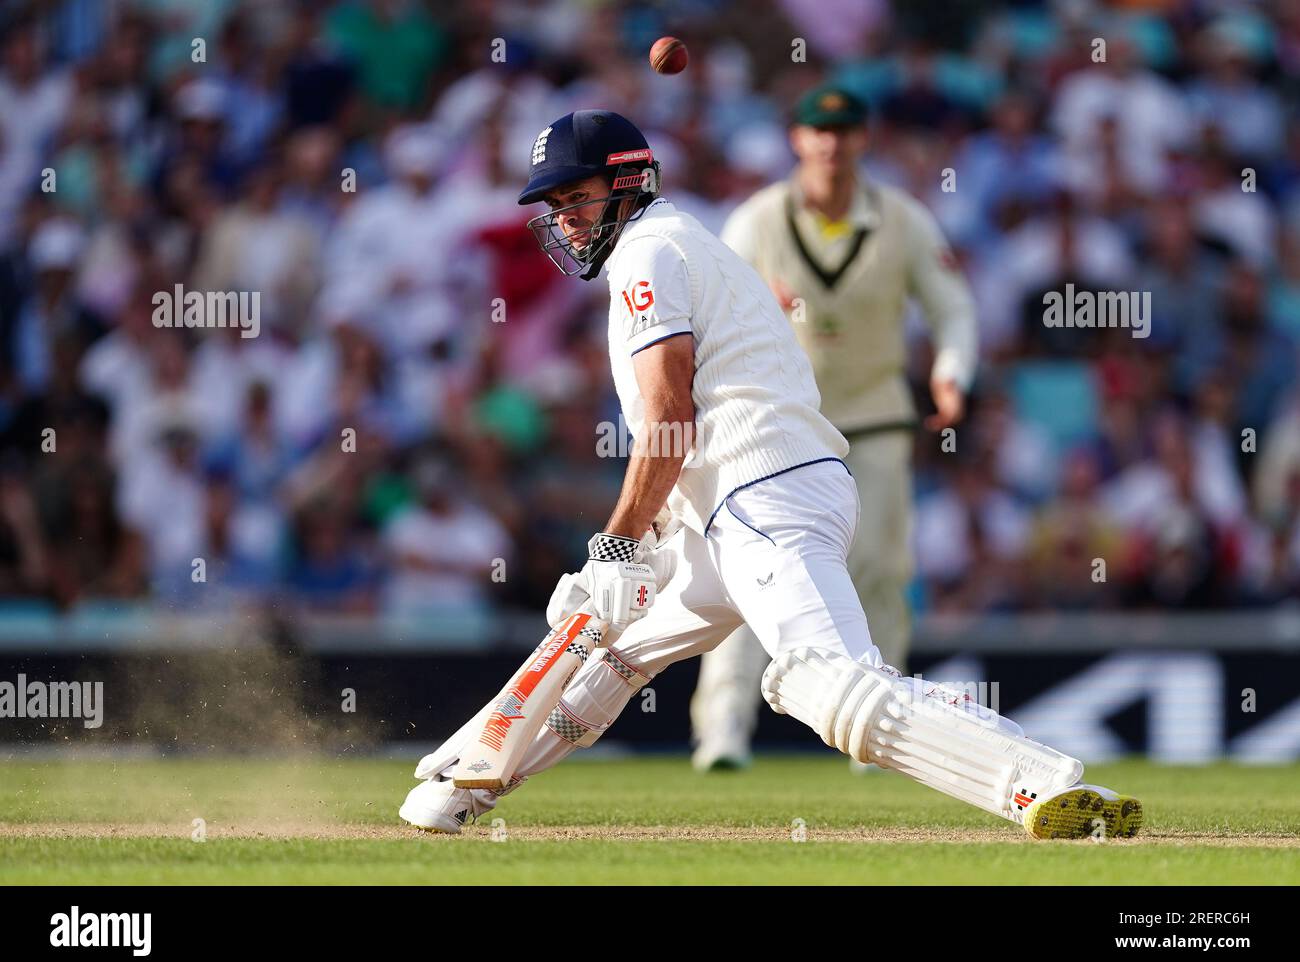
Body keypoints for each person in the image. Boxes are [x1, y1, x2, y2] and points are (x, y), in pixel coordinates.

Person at [397, 110, 1141, 840]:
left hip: (762, 494)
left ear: (628, 184)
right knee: (610, 651)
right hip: (733, 502)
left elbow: (670, 415)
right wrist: (648, 532)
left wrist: (616, 544)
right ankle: (467, 787)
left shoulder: (647, 252)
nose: (565, 220)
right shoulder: (682, 241)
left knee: (823, 682)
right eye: (556, 207)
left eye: (576, 198)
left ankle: (1040, 781)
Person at [690, 85, 978, 769]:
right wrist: (759, 300)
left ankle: (877, 737)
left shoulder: (903, 219)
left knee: (880, 568)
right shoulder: (757, 219)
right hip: (779, 422)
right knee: (755, 571)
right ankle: (724, 729)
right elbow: (707, 308)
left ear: (862, 139)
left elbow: (954, 308)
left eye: (844, 130)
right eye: (818, 130)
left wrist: (950, 374)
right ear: (797, 139)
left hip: (875, 415)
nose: (831, 143)